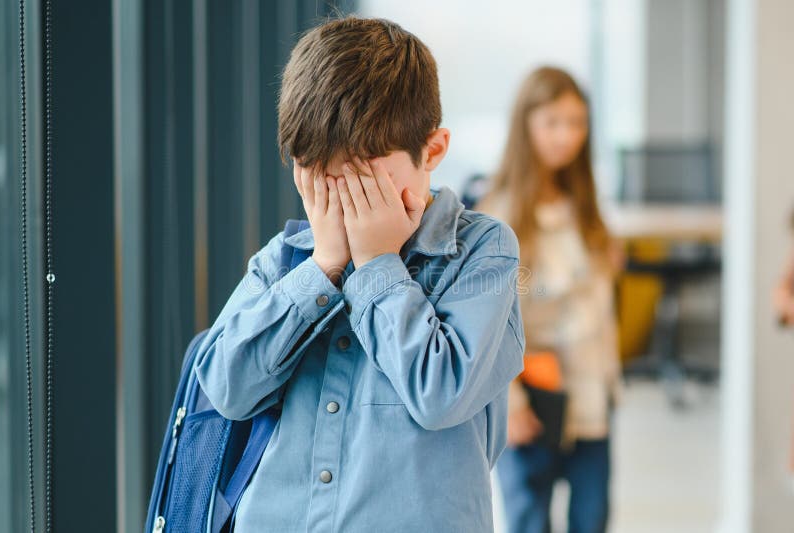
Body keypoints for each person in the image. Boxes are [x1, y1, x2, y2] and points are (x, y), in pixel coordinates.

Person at [193, 16, 526, 533]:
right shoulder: (288, 256)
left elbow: (442, 395)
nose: (345, 200)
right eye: (325, 177)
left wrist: (376, 265)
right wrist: (322, 269)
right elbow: (225, 390)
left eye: (364, 177)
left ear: (432, 151)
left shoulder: (482, 251)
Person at [476, 67, 622, 533]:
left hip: (591, 391)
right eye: (552, 122)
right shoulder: (498, 215)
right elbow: (489, 321)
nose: (566, 137)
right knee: (529, 520)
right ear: (527, 126)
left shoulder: (585, 206)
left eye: (576, 123)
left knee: (591, 517)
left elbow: (598, 309)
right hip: (534, 399)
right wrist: (510, 402)